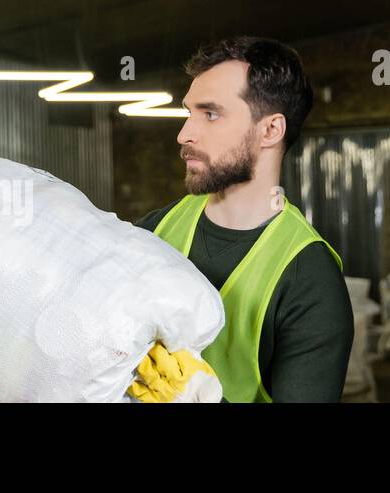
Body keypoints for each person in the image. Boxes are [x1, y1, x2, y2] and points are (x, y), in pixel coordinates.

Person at [131, 36, 353, 403]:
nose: (184, 134)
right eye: (189, 112)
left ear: (270, 130)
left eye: (211, 114)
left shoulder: (309, 279)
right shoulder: (154, 229)